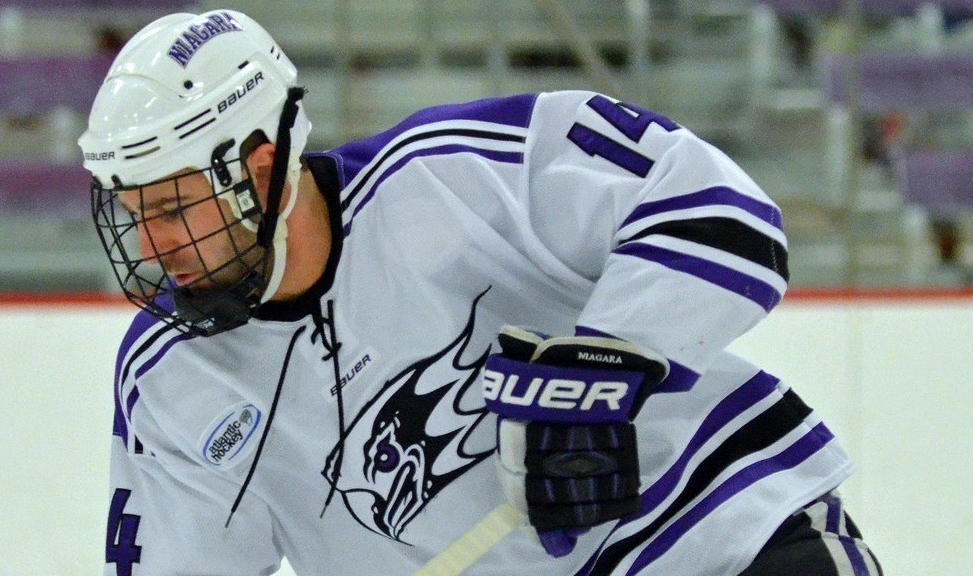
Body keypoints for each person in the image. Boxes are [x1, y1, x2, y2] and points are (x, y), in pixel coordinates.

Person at [79, 9, 882, 576]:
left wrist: (606, 365)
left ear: (259, 170)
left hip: (721, 535)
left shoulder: (454, 176)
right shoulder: (173, 379)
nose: (150, 247)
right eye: (133, 213)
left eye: (171, 209)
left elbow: (724, 214)